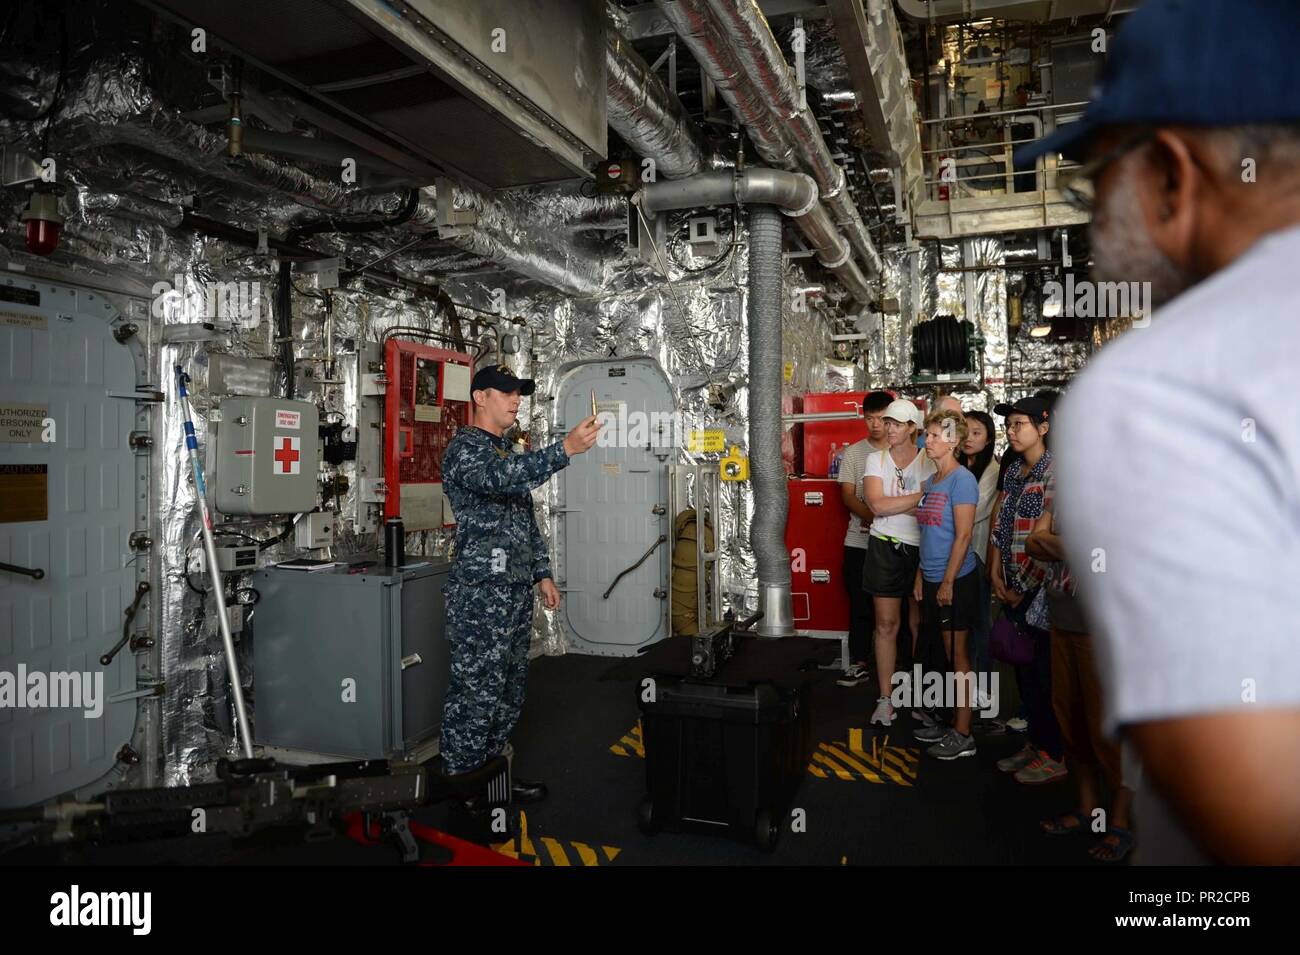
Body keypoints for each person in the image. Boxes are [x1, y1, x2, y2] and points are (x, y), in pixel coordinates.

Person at [1017, 0, 1300, 864]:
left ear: (1172, 173)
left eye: (1099, 176)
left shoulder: (1158, 393)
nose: (1093, 217)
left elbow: (1258, 817)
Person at [439, 364, 601, 801]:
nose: (515, 400)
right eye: (506, 392)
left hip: (511, 591)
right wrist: (564, 449)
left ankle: (494, 781)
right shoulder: (466, 450)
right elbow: (498, 481)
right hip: (479, 593)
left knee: (508, 691)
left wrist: (541, 572)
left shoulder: (506, 451)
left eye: (519, 393)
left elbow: (522, 519)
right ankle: (461, 788)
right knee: (476, 693)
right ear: (479, 398)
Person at [1027, 501, 1134, 861]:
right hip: (1062, 619)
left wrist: (1054, 542)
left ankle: (1119, 823)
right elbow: (1032, 542)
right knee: (1070, 721)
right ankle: (1089, 811)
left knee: (1106, 729)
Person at [988, 395, 1066, 784]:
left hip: (1042, 592)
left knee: (1045, 675)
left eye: (1020, 424)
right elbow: (1001, 527)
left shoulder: (1057, 473)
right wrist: (997, 575)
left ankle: (1054, 753)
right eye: (1009, 424)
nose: (1012, 431)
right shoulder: (1015, 470)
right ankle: (1035, 744)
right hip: (1012, 586)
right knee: (1024, 674)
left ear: (1044, 427)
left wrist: (1025, 588)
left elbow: (1047, 539)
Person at [910, 410, 981, 759]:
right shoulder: (934, 481)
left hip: (957, 580)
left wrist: (949, 580)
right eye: (928, 434)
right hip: (934, 576)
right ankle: (946, 720)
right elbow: (928, 533)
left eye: (937, 435)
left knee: (958, 657)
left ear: (953, 441)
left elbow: (964, 534)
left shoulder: (961, 480)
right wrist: (922, 575)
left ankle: (963, 732)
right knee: (940, 655)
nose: (929, 440)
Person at [862, 399, 935, 726]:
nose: (888, 428)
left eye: (895, 423)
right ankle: (886, 699)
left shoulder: (928, 461)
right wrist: (919, 498)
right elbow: (876, 504)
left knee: (919, 624)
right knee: (886, 625)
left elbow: (934, 506)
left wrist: (911, 503)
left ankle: (922, 697)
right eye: (886, 423)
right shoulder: (874, 459)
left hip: (922, 549)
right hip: (885, 547)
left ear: (911, 428)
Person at [835, 391, 894, 687]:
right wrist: (877, 518)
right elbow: (846, 495)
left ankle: (900, 667)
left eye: (881, 418)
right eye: (869, 418)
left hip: (895, 543)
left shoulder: (903, 452)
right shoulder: (855, 453)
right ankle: (859, 661)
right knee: (859, 604)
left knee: (898, 606)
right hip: (858, 542)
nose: (875, 425)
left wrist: (888, 522)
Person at [959, 410, 999, 721]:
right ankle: (961, 693)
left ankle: (984, 692)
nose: (969, 438)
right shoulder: (954, 467)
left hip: (976, 554)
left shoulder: (993, 471)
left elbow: (975, 510)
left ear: (987, 439)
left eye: (976, 433)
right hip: (953, 555)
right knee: (960, 627)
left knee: (979, 625)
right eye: (966, 432)